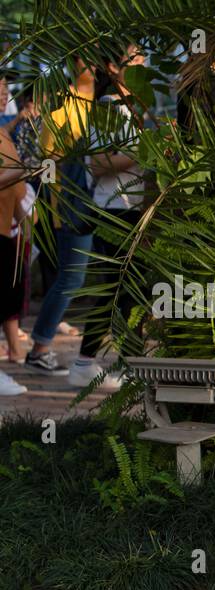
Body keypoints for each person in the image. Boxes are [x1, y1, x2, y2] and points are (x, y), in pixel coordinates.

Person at [68, 44, 150, 391]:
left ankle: (96, 362)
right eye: (133, 56)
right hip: (114, 209)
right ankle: (111, 363)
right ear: (112, 66)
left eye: (142, 55)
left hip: (131, 208)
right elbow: (99, 163)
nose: (142, 61)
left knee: (125, 288)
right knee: (121, 288)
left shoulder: (134, 104)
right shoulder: (108, 106)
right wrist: (143, 151)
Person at [25, 59, 97, 377]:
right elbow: (48, 167)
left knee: (87, 279)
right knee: (71, 278)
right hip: (73, 206)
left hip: (95, 204)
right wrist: (62, 210)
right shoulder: (62, 111)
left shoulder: (97, 102)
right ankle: (40, 348)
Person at [0, 114, 33, 396]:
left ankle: (14, 350)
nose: (2, 96)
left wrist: (24, 222)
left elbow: (15, 189)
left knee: (11, 292)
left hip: (6, 229)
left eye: (4, 92)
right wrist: (20, 171)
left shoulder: (4, 136)